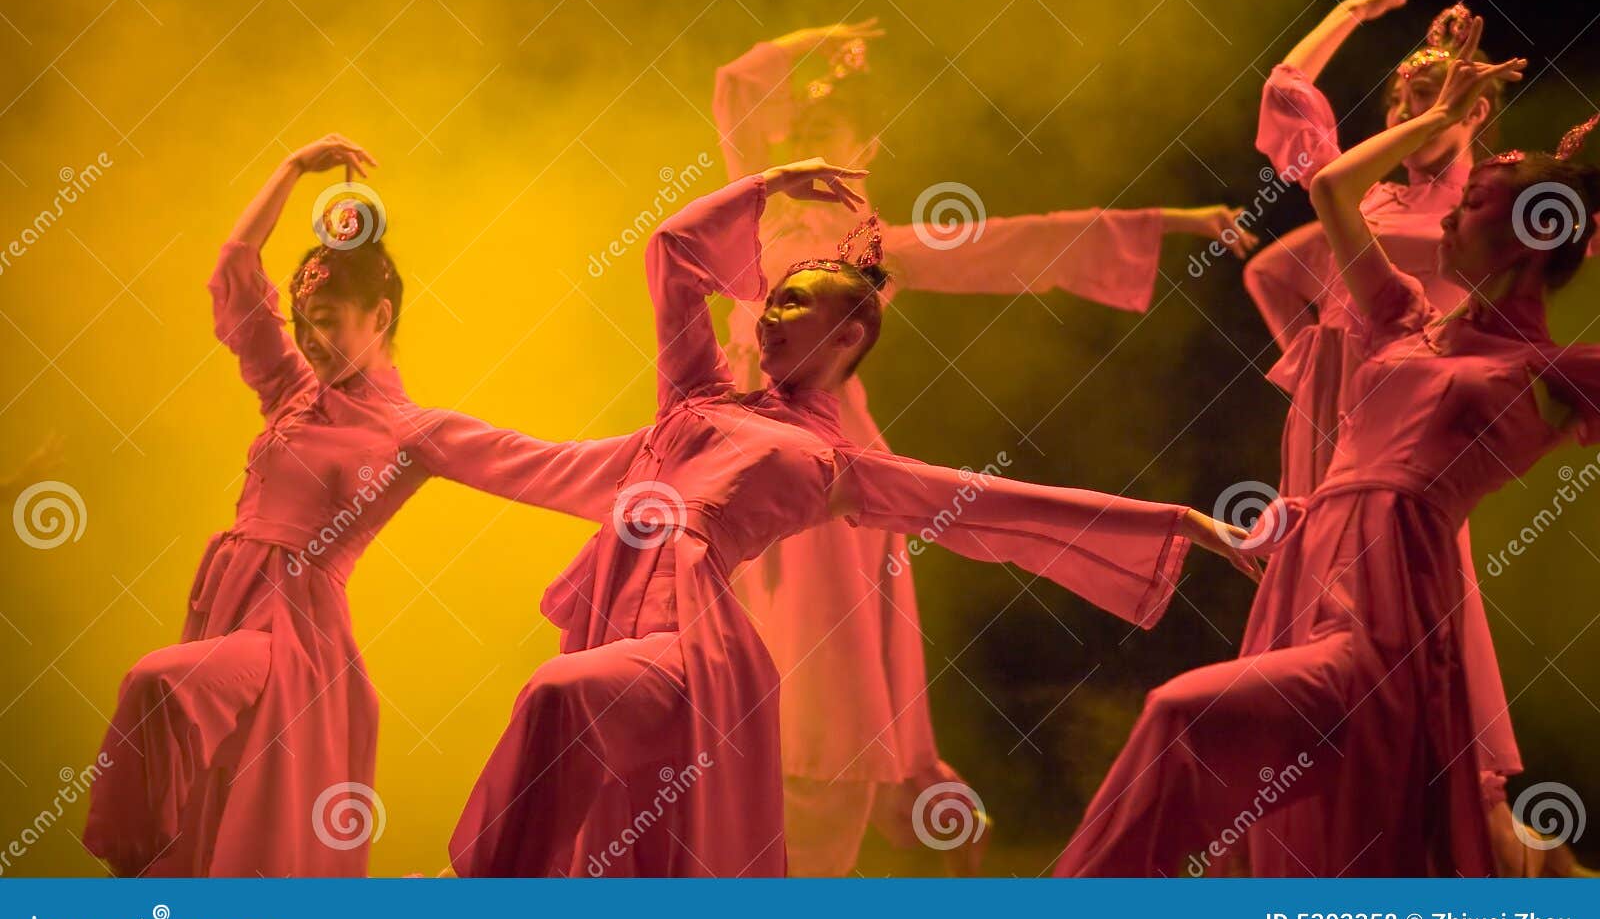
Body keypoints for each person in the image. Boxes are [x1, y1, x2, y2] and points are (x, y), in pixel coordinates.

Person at [449, 158, 1257, 877]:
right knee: (566, 730)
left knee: (565, 692)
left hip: (691, 648)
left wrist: (1180, 521)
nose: (766, 314)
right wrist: (767, 184)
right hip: (618, 626)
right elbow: (672, 252)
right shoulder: (697, 392)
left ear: (850, 332)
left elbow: (997, 504)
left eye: (792, 302)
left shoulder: (836, 464)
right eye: (769, 299)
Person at [714, 22, 1255, 874]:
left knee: (825, 670)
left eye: (831, 128)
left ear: (867, 149)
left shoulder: (870, 246)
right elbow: (736, 88)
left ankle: (834, 852)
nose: (808, 138)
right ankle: (891, 818)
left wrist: (1174, 220)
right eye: (802, 127)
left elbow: (1012, 243)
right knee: (735, 643)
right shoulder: (754, 205)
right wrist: (821, 41)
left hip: (819, 447)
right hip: (734, 438)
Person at [1058, 38, 1600, 876]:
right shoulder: (1401, 318)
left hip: (1390, 618)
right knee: (1303, 832)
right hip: (1308, 577)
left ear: (1538, 233)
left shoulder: (1548, 373)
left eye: (1475, 202)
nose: (1449, 215)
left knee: (1183, 716)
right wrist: (1440, 114)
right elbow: (1331, 188)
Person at [83, 136, 654, 876]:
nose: (311, 339)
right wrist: (291, 168)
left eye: (327, 319)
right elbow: (234, 274)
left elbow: (549, 466)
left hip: (292, 631)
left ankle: (133, 864)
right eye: (302, 320)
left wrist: (680, 442)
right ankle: (163, 885)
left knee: (157, 683)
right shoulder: (292, 392)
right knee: (208, 786)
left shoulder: (411, 432)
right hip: (226, 601)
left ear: (380, 315)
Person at [1245, 0, 1567, 873]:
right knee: (1314, 589)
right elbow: (1286, 94)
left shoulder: (1484, 202)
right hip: (1339, 400)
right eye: (1399, 97)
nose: (1402, 110)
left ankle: (1474, 820)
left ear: (1474, 110)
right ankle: (1322, 817)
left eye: (1427, 97)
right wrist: (1356, 6)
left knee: (1413, 594)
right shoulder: (1372, 185)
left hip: (1413, 416)